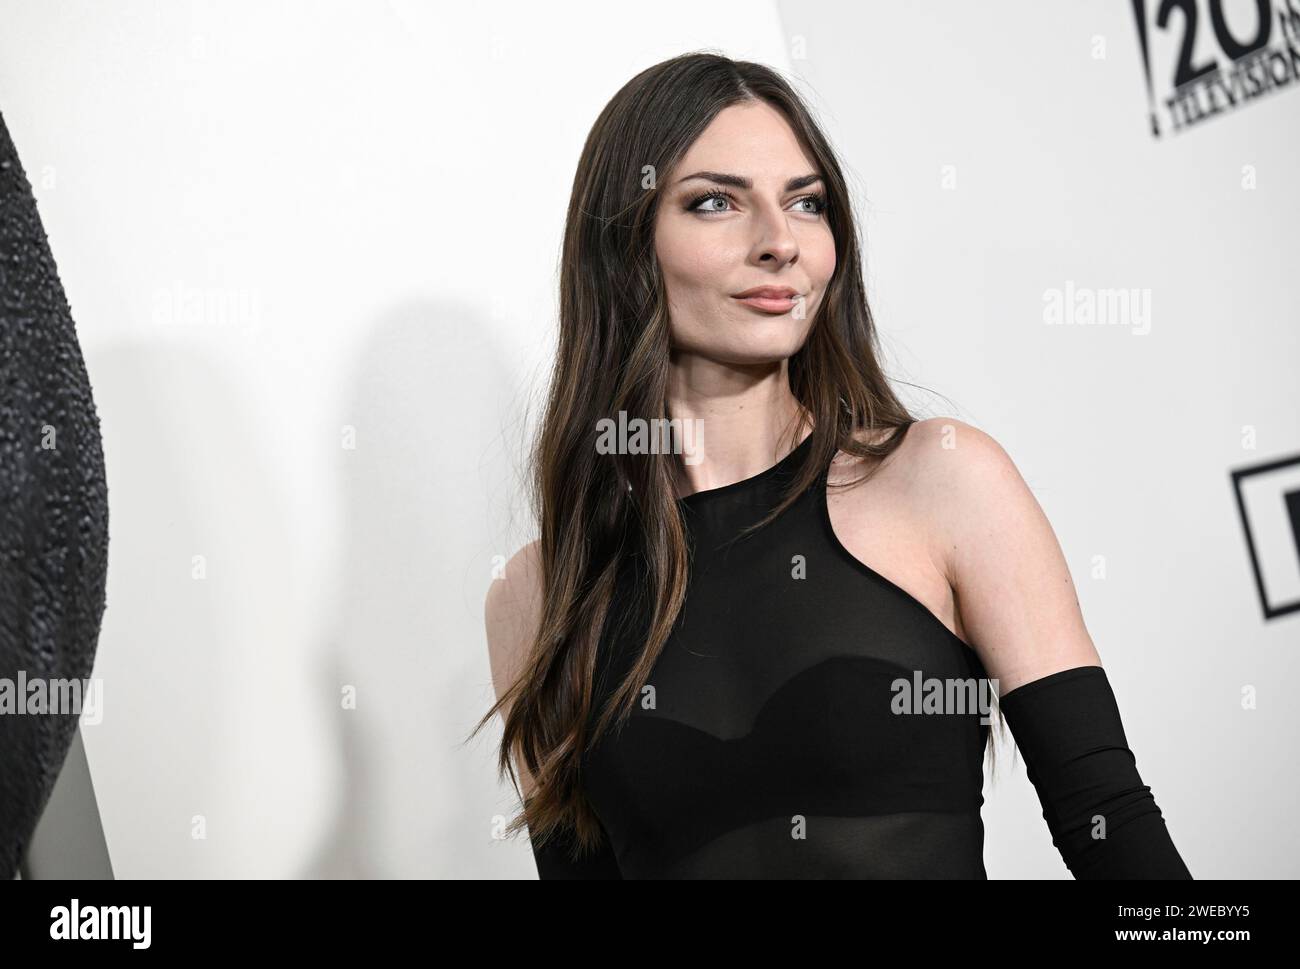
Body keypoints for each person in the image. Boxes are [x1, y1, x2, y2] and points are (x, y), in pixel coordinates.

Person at [475, 52, 1191, 879]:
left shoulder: (942, 482)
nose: (780, 242)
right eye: (716, 202)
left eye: (805, 203)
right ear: (625, 241)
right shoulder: (539, 595)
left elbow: (1113, 828)